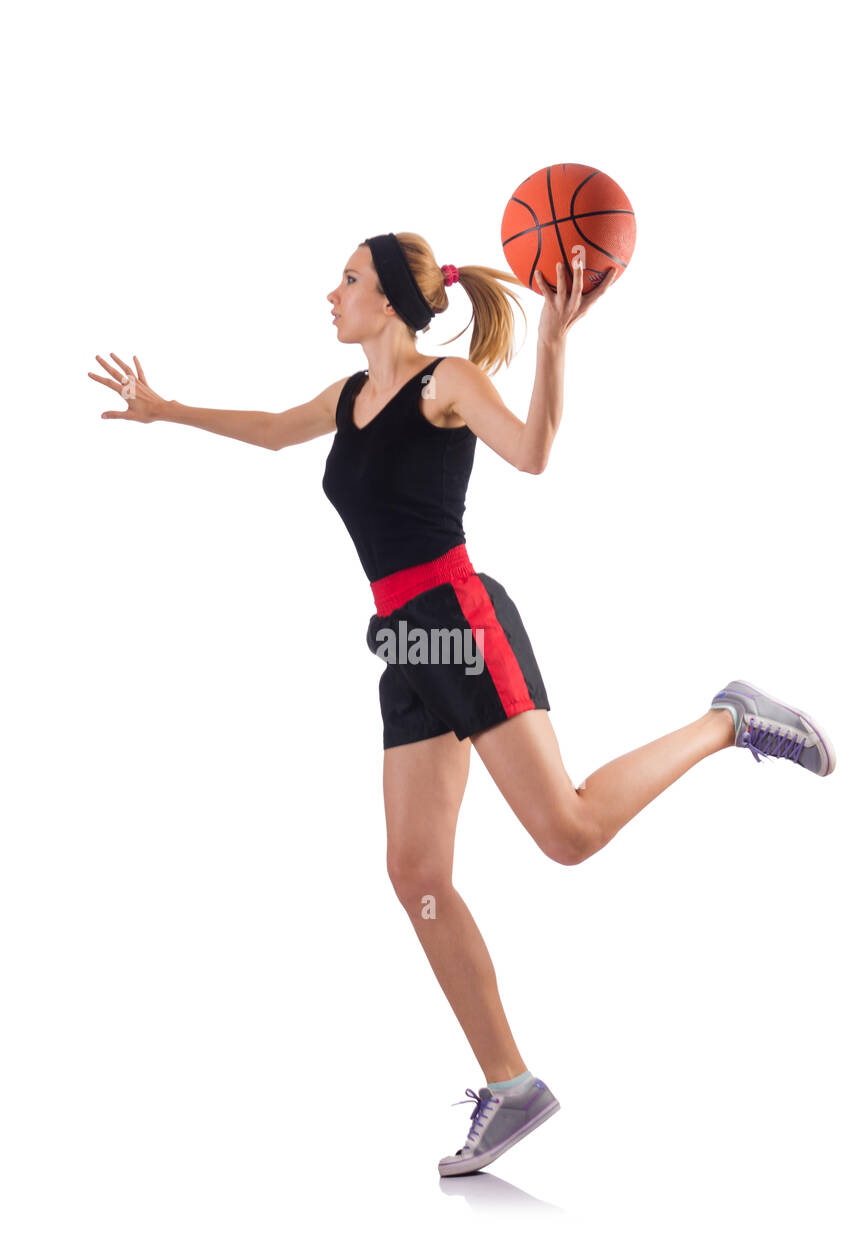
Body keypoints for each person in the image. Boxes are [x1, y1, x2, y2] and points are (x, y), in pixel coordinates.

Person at [88, 231, 837, 1179]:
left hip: (459, 618)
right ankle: (511, 1084)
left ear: (393, 301)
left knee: (565, 833)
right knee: (414, 871)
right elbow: (276, 428)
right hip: (404, 642)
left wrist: (555, 343)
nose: (331, 293)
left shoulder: (444, 383)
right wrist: (165, 410)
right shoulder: (348, 401)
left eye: (349, 279)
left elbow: (529, 453)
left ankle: (728, 718)